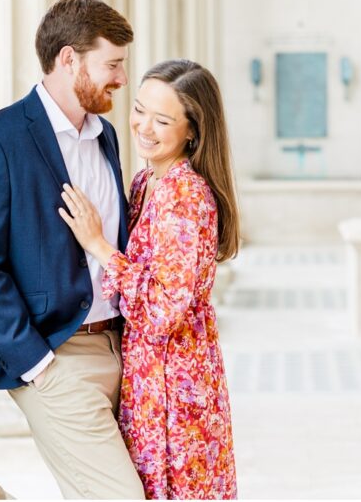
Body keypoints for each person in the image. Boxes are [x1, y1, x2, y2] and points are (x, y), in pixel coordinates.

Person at [0, 0, 145, 499]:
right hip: (57, 357)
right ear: (68, 58)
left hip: (119, 348)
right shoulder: (1, 139)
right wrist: (35, 364)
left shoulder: (105, 136)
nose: (121, 79)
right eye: (113, 64)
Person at [59, 59, 239, 500]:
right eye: (139, 110)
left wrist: (100, 246)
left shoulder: (183, 194)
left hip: (176, 382)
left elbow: (161, 311)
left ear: (192, 131)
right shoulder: (145, 182)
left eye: (162, 120)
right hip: (149, 374)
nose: (144, 126)